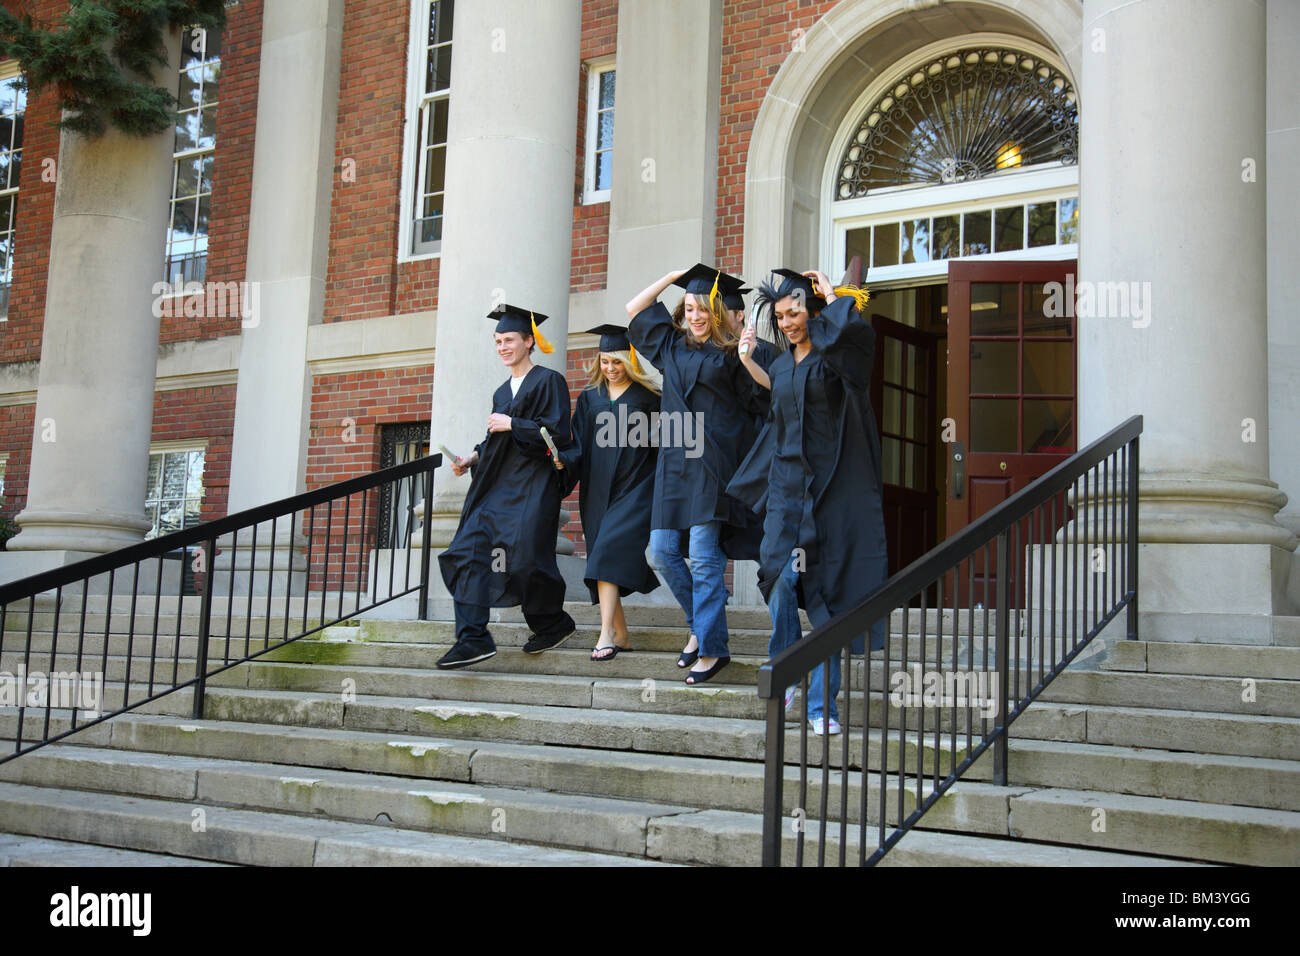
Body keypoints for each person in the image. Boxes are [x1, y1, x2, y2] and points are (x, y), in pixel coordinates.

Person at [728, 268, 888, 734]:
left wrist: (836, 295)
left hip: (830, 492)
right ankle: (789, 661)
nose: (788, 322)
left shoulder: (837, 358)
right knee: (776, 576)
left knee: (829, 600)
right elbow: (778, 390)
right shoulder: (781, 364)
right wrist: (747, 361)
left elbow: (854, 341)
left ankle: (822, 707)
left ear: (813, 311)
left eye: (794, 312)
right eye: (780, 315)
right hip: (785, 491)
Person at [626, 263, 766, 685]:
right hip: (673, 465)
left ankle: (711, 648)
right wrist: (671, 278)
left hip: (712, 465)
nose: (696, 314)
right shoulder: (670, 346)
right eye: (689, 307)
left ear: (718, 312)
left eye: (704, 307)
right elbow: (635, 307)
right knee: (661, 553)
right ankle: (700, 621)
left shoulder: (729, 355)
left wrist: (747, 356)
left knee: (705, 562)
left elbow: (760, 404)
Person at [436, 304, 576, 669]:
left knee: (527, 558)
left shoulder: (549, 381)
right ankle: (472, 639)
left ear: (529, 341)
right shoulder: (501, 391)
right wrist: (472, 458)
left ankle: (551, 623)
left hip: (534, 484)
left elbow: (558, 434)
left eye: (509, 339)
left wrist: (514, 425)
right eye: (497, 341)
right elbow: (494, 440)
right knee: (467, 552)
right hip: (497, 485)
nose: (502, 346)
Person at [557, 324, 662, 661]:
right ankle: (623, 633)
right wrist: (562, 462)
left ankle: (605, 635)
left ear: (630, 361)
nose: (610, 369)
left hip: (636, 488)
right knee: (604, 556)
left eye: (617, 362)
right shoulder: (590, 399)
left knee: (606, 553)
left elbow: (662, 449)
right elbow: (578, 445)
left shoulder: (650, 399)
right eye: (605, 362)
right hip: (598, 490)